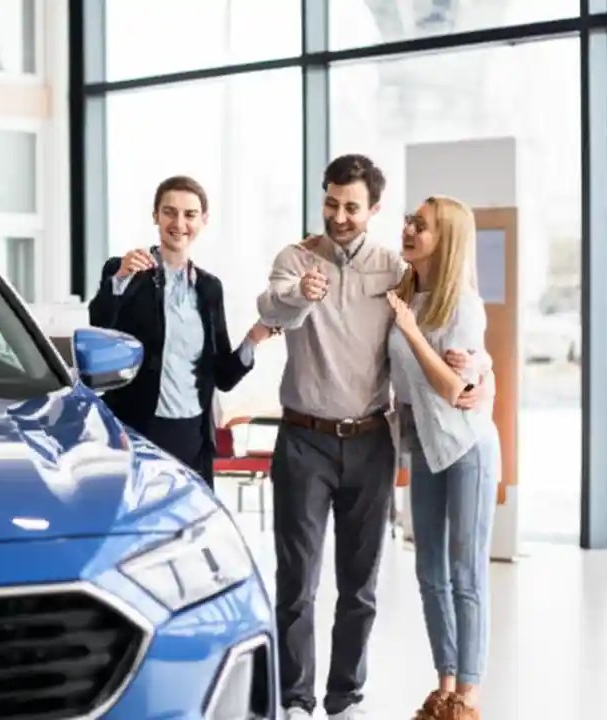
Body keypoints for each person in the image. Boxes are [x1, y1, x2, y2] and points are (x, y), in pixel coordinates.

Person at [256, 154, 491, 719]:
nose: (339, 215)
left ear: (374, 210)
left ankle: (345, 699)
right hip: (303, 439)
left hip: (370, 441)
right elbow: (269, 307)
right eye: (331, 202)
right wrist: (299, 295)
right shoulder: (296, 258)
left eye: (352, 206)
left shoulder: (395, 271)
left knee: (359, 587)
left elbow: (444, 322)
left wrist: (482, 366)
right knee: (297, 582)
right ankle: (295, 700)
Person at [386, 196, 499, 720]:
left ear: (445, 239)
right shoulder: (403, 290)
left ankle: (469, 696)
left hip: (468, 445)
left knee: (465, 569)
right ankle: (445, 686)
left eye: (421, 226)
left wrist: (412, 331)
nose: (409, 230)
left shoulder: (461, 305)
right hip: (426, 445)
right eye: (409, 221)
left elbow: (455, 388)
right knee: (429, 569)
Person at [89, 175, 275, 487]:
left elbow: (223, 376)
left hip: (192, 434)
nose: (179, 223)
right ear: (155, 216)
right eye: (169, 212)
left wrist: (254, 339)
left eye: (189, 214)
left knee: (186, 527)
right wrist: (120, 278)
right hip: (138, 427)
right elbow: (99, 322)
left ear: (203, 220)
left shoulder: (209, 288)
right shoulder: (126, 271)